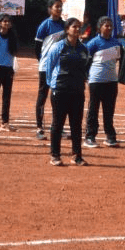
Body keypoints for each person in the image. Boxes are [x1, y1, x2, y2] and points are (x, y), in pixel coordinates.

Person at [43, 18, 90, 166]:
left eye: (79, 27)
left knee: (76, 124)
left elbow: (85, 68)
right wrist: (53, 85)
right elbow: (49, 67)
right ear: (67, 29)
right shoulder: (58, 47)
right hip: (60, 90)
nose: (77, 30)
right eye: (74, 27)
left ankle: (77, 155)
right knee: (58, 124)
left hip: (77, 91)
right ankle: (55, 155)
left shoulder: (84, 48)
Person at [85, 16, 124, 148]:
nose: (109, 28)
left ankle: (110, 136)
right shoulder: (93, 43)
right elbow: (85, 60)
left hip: (111, 81)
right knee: (93, 109)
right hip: (96, 81)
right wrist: (86, 76)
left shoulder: (116, 43)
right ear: (99, 27)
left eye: (110, 25)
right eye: (106, 25)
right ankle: (90, 136)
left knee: (109, 110)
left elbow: (118, 59)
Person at [33, 0, 65, 139]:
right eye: (56, 7)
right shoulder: (44, 25)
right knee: (43, 96)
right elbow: (37, 47)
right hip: (46, 66)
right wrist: (44, 62)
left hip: (60, 67)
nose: (59, 9)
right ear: (50, 8)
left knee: (58, 97)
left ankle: (57, 126)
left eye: (60, 7)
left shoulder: (65, 25)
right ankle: (39, 127)